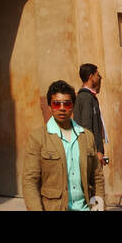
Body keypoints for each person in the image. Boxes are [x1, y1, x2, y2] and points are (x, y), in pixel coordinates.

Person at [22, 80, 102, 212]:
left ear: (73, 105)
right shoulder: (38, 138)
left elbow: (97, 177)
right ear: (49, 106)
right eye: (56, 104)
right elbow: (30, 181)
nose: (62, 108)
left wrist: (98, 208)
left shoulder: (87, 137)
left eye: (67, 103)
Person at [74, 64, 106, 204]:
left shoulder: (89, 97)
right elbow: (87, 128)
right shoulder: (86, 98)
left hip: (90, 150)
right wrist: (96, 151)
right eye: (97, 74)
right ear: (91, 76)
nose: (99, 77)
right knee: (94, 188)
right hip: (90, 152)